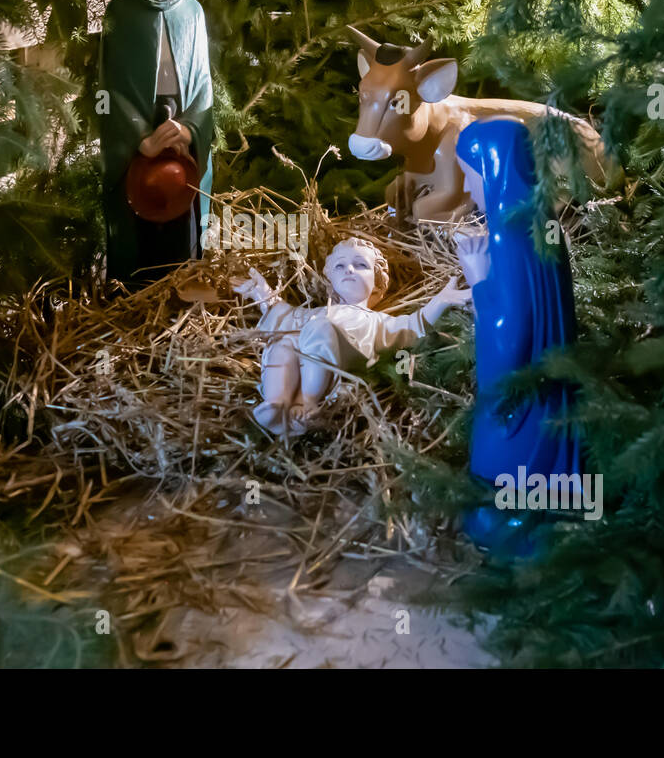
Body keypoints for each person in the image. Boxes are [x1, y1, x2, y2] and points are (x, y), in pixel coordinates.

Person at [454, 118, 585, 557]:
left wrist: (476, 280)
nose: (469, 190)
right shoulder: (540, 223)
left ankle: (514, 523)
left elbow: (509, 328)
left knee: (502, 457)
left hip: (520, 389)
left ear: (492, 172)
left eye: (471, 176)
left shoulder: (508, 233)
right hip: (550, 377)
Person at [235, 237, 473, 436]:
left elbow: (412, 326)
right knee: (284, 343)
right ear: (331, 278)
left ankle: (307, 403)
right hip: (306, 354)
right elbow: (285, 317)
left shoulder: (377, 320)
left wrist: (440, 301)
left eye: (361, 265)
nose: (349, 269)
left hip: (350, 361)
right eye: (340, 266)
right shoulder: (318, 312)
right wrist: (264, 295)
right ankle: (276, 404)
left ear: (377, 282)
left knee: (322, 328)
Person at [98, 0, 214, 289]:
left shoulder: (192, 12)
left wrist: (189, 129)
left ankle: (180, 301)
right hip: (138, 134)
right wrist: (139, 139)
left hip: (180, 133)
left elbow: (203, 83)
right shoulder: (122, 13)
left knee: (181, 225)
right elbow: (109, 87)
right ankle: (133, 303)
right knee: (138, 235)